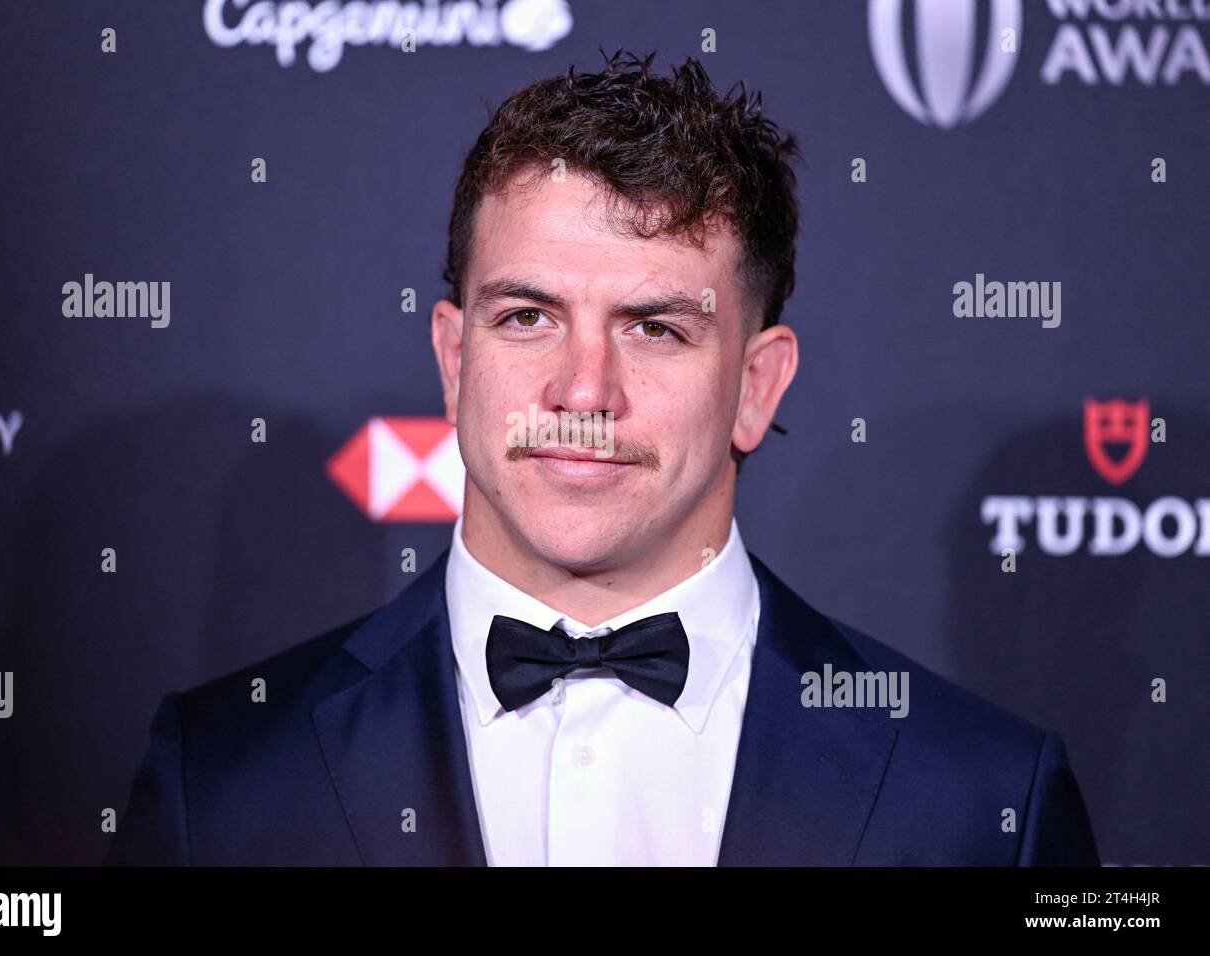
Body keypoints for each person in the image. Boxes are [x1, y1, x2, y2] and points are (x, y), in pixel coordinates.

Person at [106, 50, 1098, 866]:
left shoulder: (979, 798)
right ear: (454, 359)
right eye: (527, 316)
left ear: (756, 386)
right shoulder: (222, 779)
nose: (583, 391)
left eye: (655, 328)